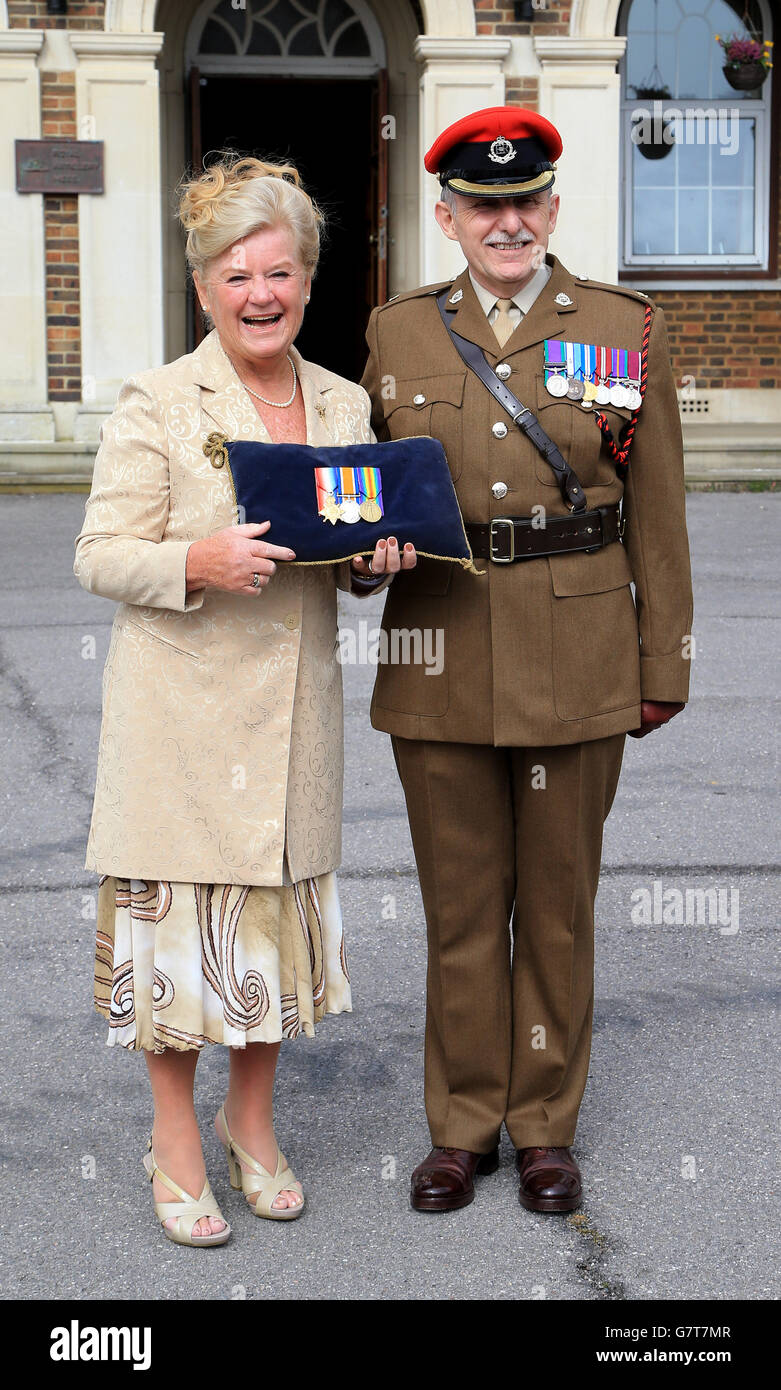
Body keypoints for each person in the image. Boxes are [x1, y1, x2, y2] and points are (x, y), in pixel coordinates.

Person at [75, 154, 415, 1247]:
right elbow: (98, 554)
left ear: (309, 280)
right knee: (179, 948)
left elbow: (347, 541)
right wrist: (195, 557)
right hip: (180, 726)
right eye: (237, 275)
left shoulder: (342, 402)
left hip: (291, 730)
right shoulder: (160, 402)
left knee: (262, 945)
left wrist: (377, 562)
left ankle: (251, 1122)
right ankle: (174, 1135)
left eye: (279, 271)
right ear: (203, 286)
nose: (260, 294)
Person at [361, 107, 693, 1213]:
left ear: (550, 207)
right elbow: (364, 505)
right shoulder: (397, 333)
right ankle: (462, 1126)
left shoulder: (621, 324)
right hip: (440, 647)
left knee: (555, 905)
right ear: (447, 215)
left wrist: (664, 660)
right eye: (481, 205)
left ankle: (544, 1123)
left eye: (525, 201)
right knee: (460, 907)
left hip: (580, 647)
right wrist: (362, 563)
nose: (506, 222)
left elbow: (658, 510)